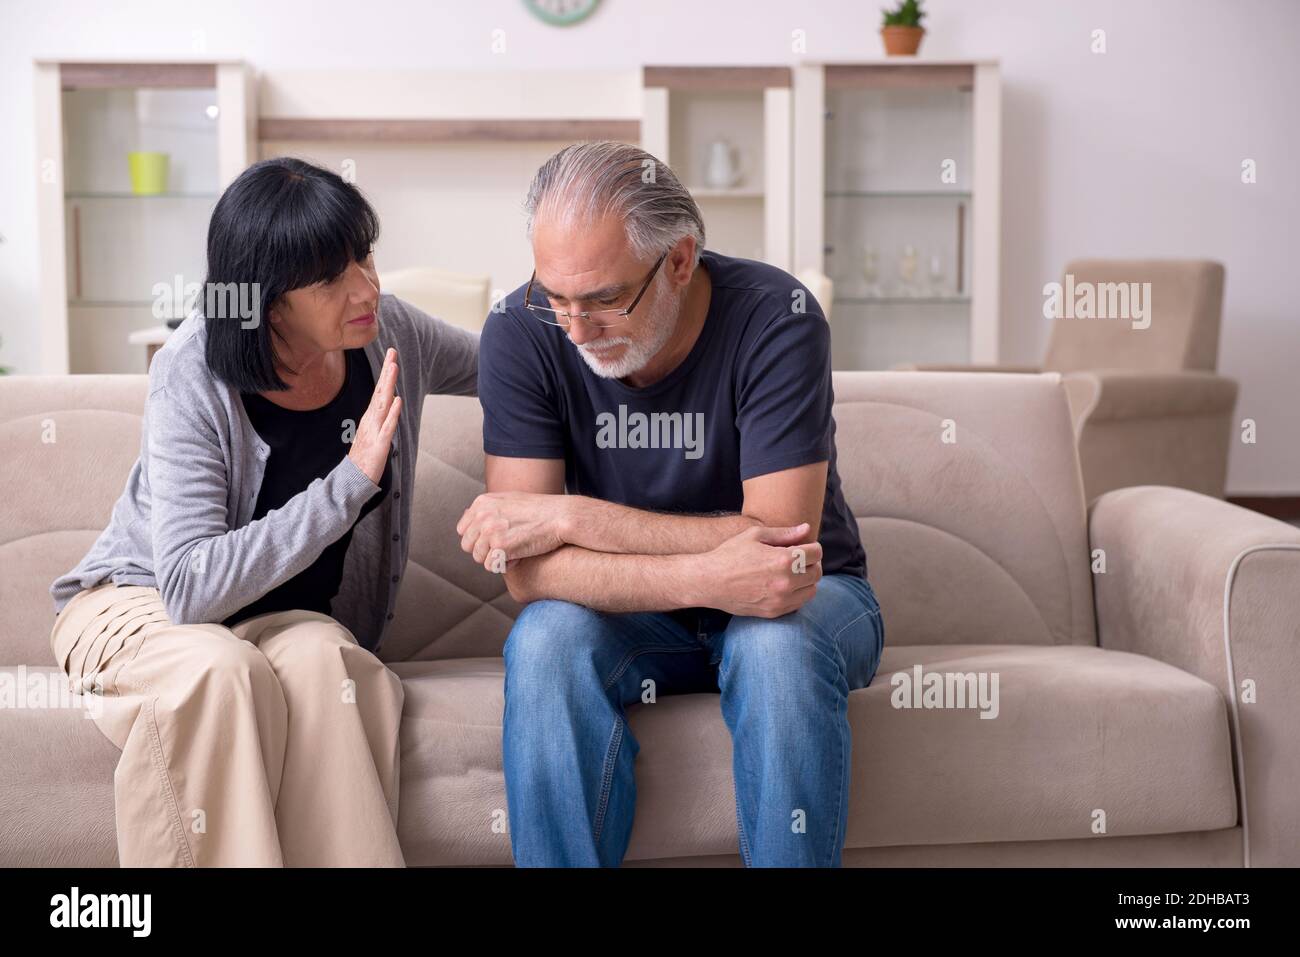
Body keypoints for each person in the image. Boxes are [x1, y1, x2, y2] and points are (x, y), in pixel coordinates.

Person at [458, 141, 884, 867]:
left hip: (813, 596)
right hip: (641, 615)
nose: (576, 329)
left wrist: (573, 519)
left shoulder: (776, 317)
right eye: (554, 296)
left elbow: (779, 550)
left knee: (772, 639)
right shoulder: (520, 331)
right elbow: (524, 571)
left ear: (680, 260)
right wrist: (706, 578)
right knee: (545, 639)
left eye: (603, 299)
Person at [48, 156, 478, 866]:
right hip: (139, 599)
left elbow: (514, 364)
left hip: (274, 619)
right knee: (223, 673)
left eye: (364, 256)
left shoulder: (388, 329)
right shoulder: (192, 368)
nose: (366, 286)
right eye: (332, 277)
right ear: (270, 301)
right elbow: (188, 589)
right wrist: (348, 482)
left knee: (329, 665)